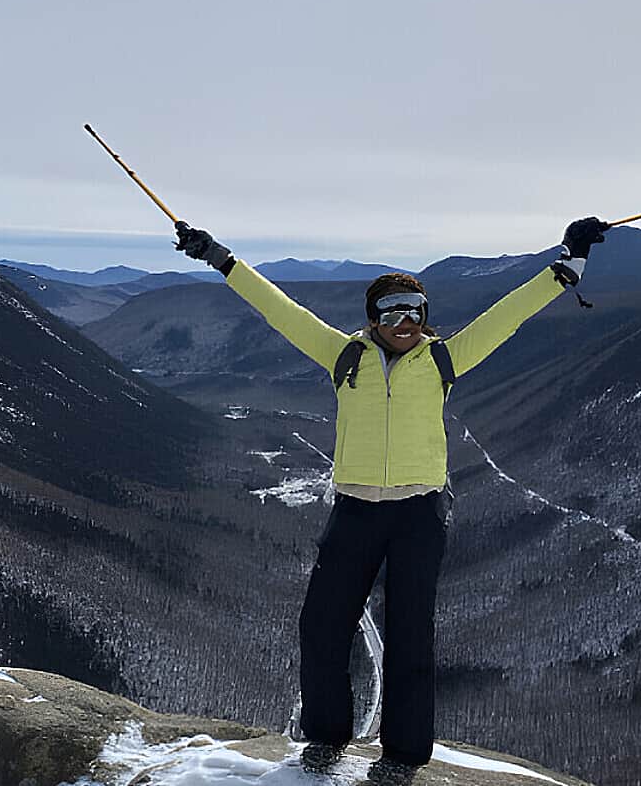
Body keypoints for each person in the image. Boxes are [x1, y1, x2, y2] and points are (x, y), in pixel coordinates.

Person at [175, 217, 608, 786]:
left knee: (409, 633)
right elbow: (279, 309)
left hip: (416, 515)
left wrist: (568, 263)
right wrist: (218, 257)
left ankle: (403, 754)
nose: (405, 323)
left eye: (415, 312)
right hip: (354, 510)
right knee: (323, 626)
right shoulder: (344, 357)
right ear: (371, 318)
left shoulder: (444, 360)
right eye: (391, 312)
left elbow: (509, 314)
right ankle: (326, 739)